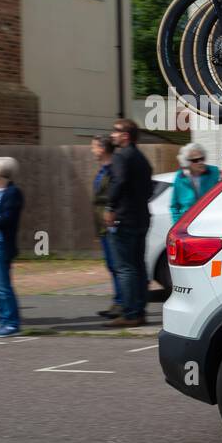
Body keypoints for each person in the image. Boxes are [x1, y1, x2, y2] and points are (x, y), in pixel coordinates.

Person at [105, 118, 153, 328]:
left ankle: (130, 313)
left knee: (125, 268)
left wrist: (110, 207)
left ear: (125, 136)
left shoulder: (121, 156)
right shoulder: (142, 158)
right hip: (142, 217)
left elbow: (119, 181)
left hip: (124, 218)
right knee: (138, 266)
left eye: (116, 131)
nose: (112, 135)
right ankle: (140, 310)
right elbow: (149, 189)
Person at [90, 135, 123, 319]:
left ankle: (121, 303)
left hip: (111, 223)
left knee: (117, 265)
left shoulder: (112, 170)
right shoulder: (103, 170)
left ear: (102, 148)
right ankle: (117, 301)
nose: (92, 150)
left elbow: (112, 196)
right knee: (111, 265)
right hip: (102, 225)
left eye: (94, 147)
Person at [0, 157, 25, 337]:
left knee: (3, 285)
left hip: (1, 244)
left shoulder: (13, 193)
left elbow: (8, 219)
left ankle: (12, 323)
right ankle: (3, 321)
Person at [170, 143, 221, 221]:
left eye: (202, 158)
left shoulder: (214, 172)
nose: (200, 162)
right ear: (187, 162)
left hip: (210, 221)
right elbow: (174, 206)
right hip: (187, 224)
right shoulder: (180, 177)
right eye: (195, 160)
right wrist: (177, 224)